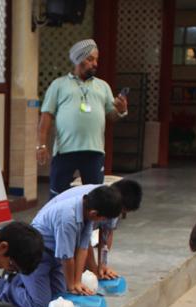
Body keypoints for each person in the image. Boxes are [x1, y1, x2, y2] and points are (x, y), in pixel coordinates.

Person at [0, 184, 122, 307]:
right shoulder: (67, 218)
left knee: (58, 297)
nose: (104, 222)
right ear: (94, 214)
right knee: (41, 304)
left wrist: (76, 282)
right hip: (37, 257)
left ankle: (21, 278)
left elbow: (82, 249)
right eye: (104, 219)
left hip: (55, 257)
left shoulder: (87, 213)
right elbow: (67, 258)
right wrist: (72, 286)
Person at [36, 39, 128, 197]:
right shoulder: (59, 85)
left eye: (96, 59)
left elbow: (112, 116)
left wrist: (121, 109)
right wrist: (41, 145)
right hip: (65, 151)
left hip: (94, 152)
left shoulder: (103, 86)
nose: (95, 64)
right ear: (78, 60)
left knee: (95, 197)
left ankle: (90, 222)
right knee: (57, 196)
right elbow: (46, 116)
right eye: (90, 59)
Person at [49, 178, 143, 279]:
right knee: (70, 274)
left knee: (81, 273)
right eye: (121, 210)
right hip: (55, 234)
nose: (118, 215)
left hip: (71, 235)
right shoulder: (95, 201)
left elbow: (106, 234)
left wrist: (102, 266)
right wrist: (94, 269)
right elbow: (84, 242)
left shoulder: (113, 203)